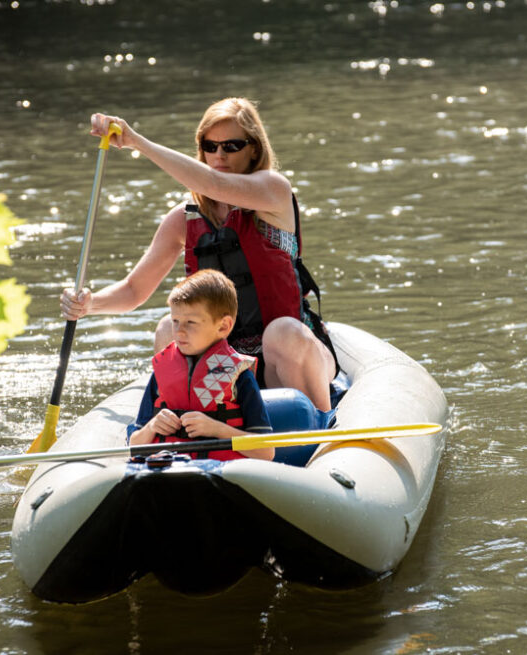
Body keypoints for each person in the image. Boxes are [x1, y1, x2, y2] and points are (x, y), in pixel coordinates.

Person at [60, 97, 338, 410]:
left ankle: (318, 424)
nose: (219, 155)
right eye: (210, 145)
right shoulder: (183, 219)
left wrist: (135, 141)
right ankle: (184, 428)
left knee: (282, 332)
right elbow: (134, 290)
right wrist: (89, 304)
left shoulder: (273, 190)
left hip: (287, 354)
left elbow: (215, 183)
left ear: (254, 149)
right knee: (169, 328)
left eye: (231, 145)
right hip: (227, 363)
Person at [126, 269, 274, 461]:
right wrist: (152, 426)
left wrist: (216, 428)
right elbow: (134, 445)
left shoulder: (239, 376)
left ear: (223, 326)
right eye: (175, 321)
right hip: (166, 470)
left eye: (191, 322)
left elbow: (266, 452)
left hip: (222, 474)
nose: (179, 332)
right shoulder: (161, 375)